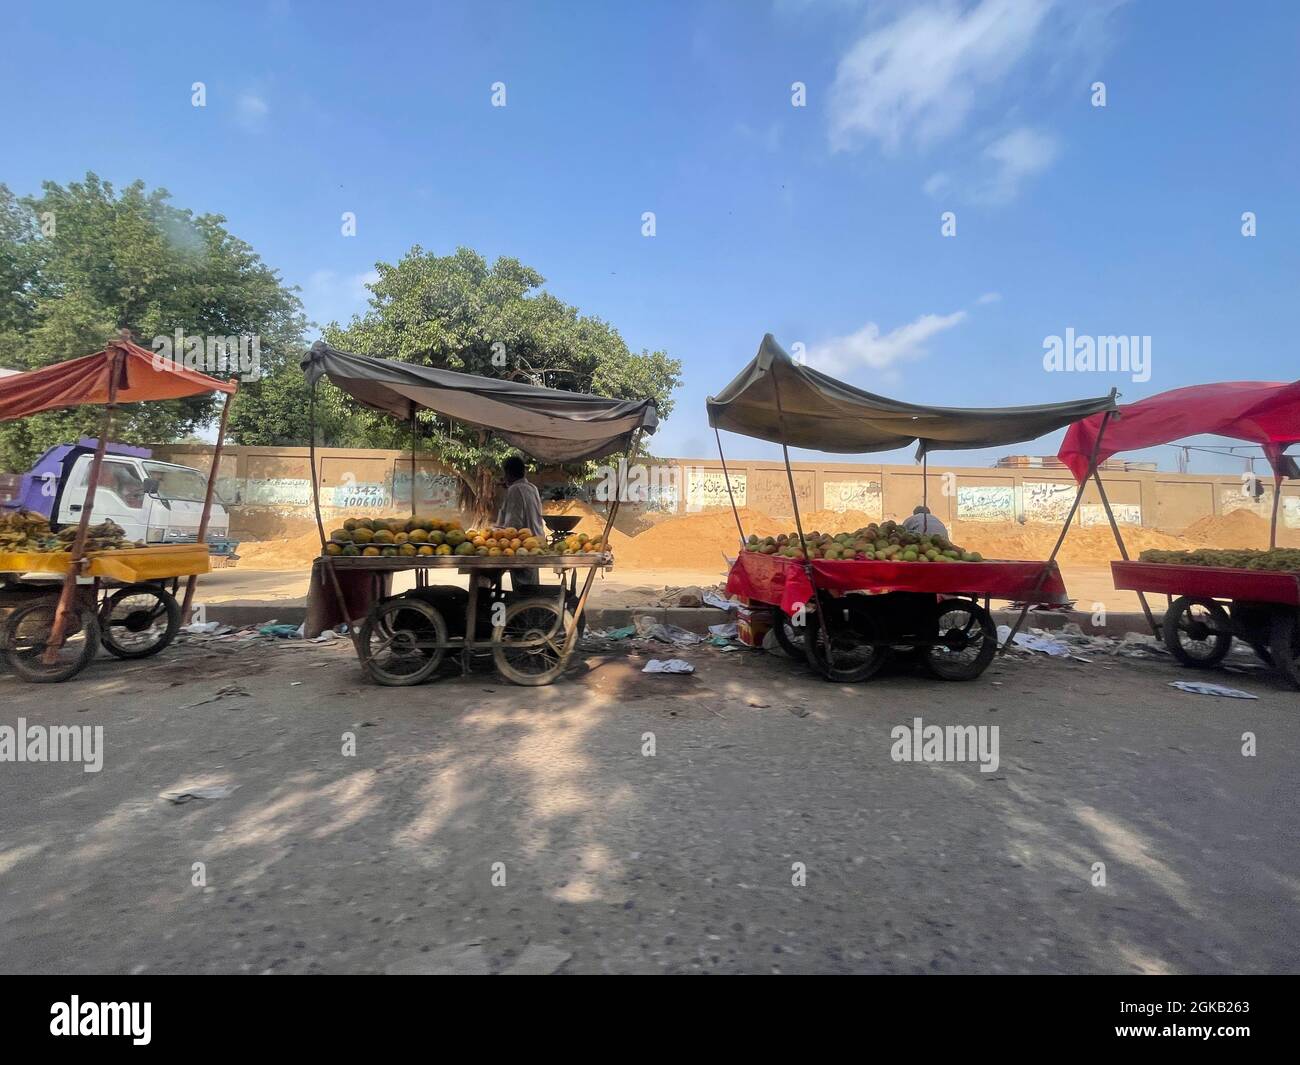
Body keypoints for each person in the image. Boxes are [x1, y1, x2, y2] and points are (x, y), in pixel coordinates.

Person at [496, 455, 545, 590]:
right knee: (532, 585)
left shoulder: (515, 490)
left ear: (508, 473)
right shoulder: (532, 488)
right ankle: (530, 608)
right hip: (536, 543)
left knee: (523, 588)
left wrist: (497, 534)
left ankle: (524, 609)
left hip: (523, 546)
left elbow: (513, 525)